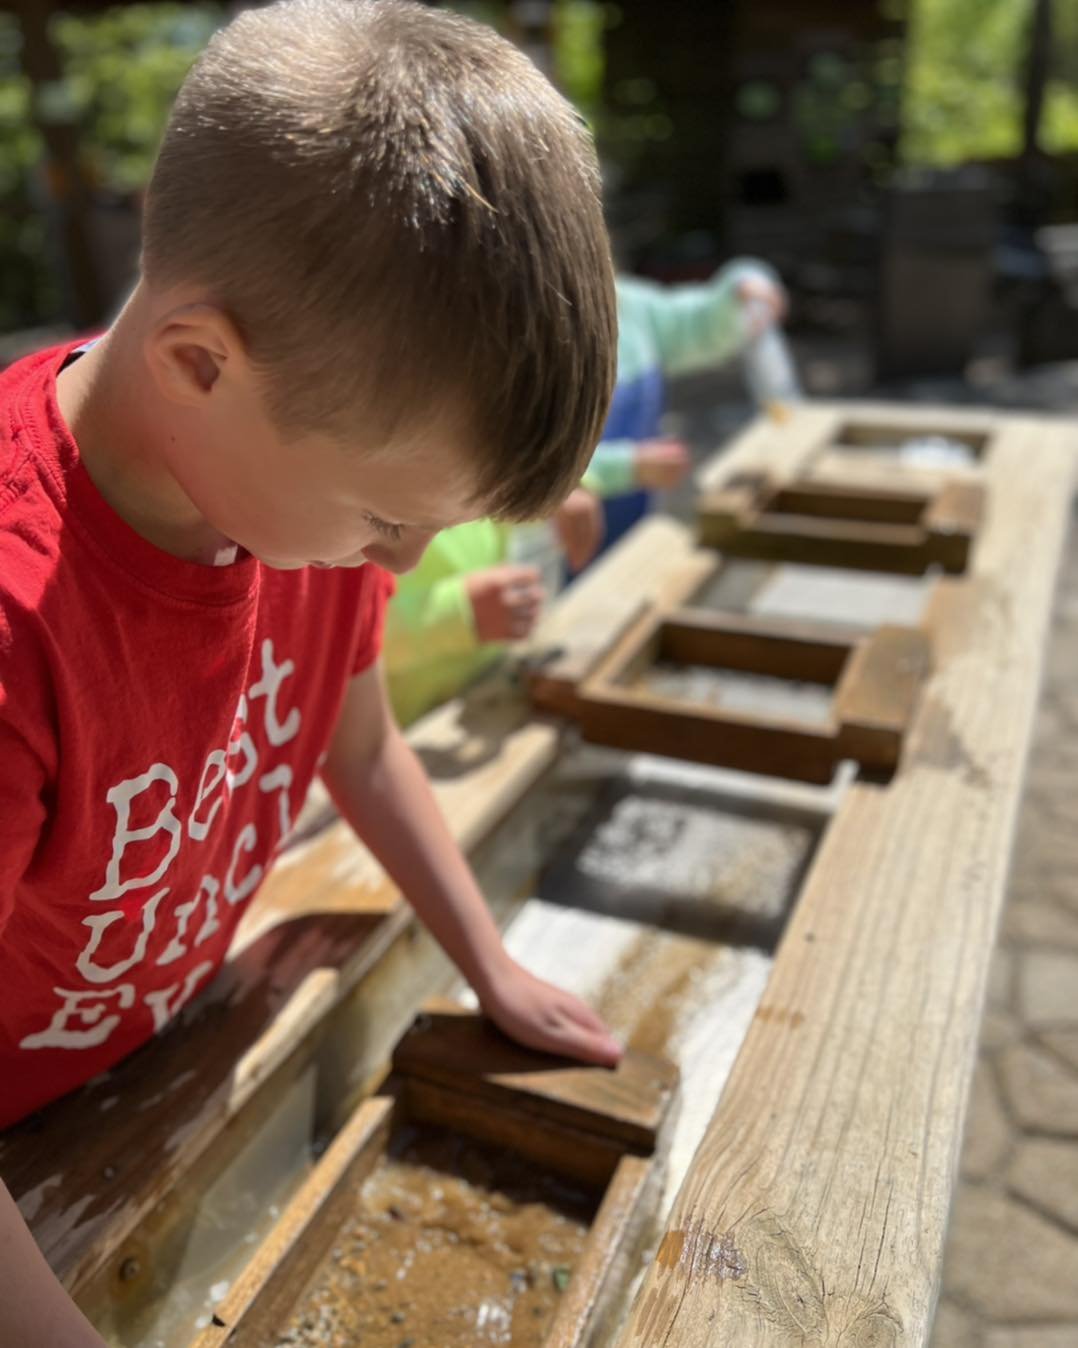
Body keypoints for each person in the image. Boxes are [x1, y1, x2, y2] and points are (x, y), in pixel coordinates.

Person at [0, 2, 623, 1341]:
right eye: (385, 516)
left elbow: (361, 747)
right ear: (199, 364)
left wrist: (485, 960)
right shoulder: (17, 619)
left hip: (144, 1070)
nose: (398, 566)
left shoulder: (291, 519)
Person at [384, 263, 786, 729]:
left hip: (485, 676)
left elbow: (520, 465)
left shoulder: (630, 312)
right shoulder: (376, 501)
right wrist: (458, 614)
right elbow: (357, 640)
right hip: (411, 718)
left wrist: (566, 484)